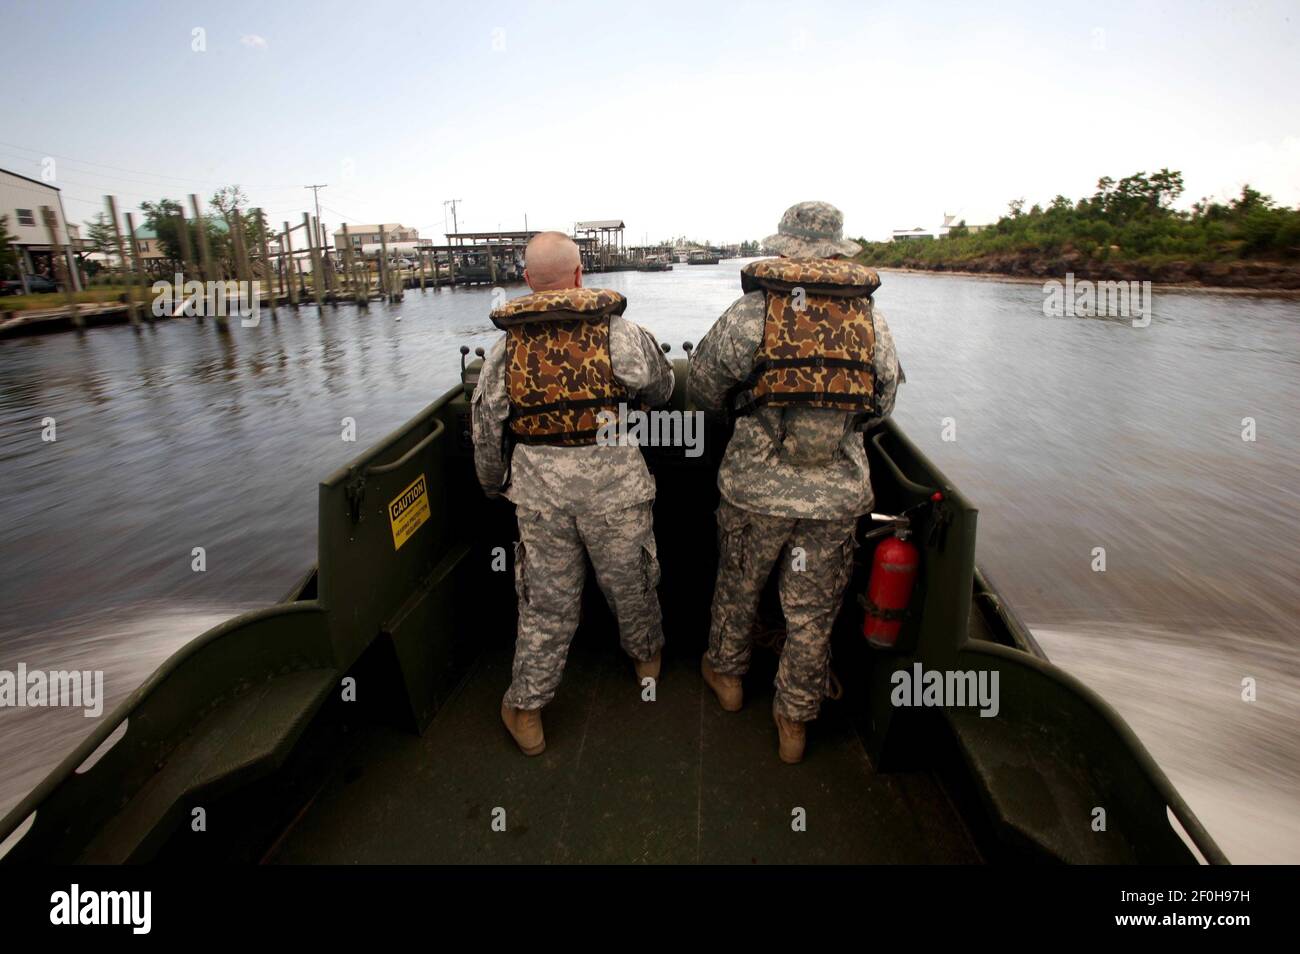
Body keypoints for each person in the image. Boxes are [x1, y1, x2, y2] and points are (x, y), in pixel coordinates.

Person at [687, 202, 900, 763]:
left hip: (754, 491)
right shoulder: (871, 320)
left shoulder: (750, 312)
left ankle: (728, 679)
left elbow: (705, 388)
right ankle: (794, 721)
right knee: (812, 613)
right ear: (837, 251)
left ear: (785, 248)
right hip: (836, 499)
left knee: (738, 585)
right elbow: (882, 406)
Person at [471, 231, 674, 756]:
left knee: (547, 606)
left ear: (526, 281)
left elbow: (486, 429)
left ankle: (528, 711)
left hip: (541, 500)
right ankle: (646, 663)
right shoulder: (621, 334)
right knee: (631, 585)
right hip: (617, 492)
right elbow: (661, 387)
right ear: (581, 275)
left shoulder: (504, 350)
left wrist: (493, 484)